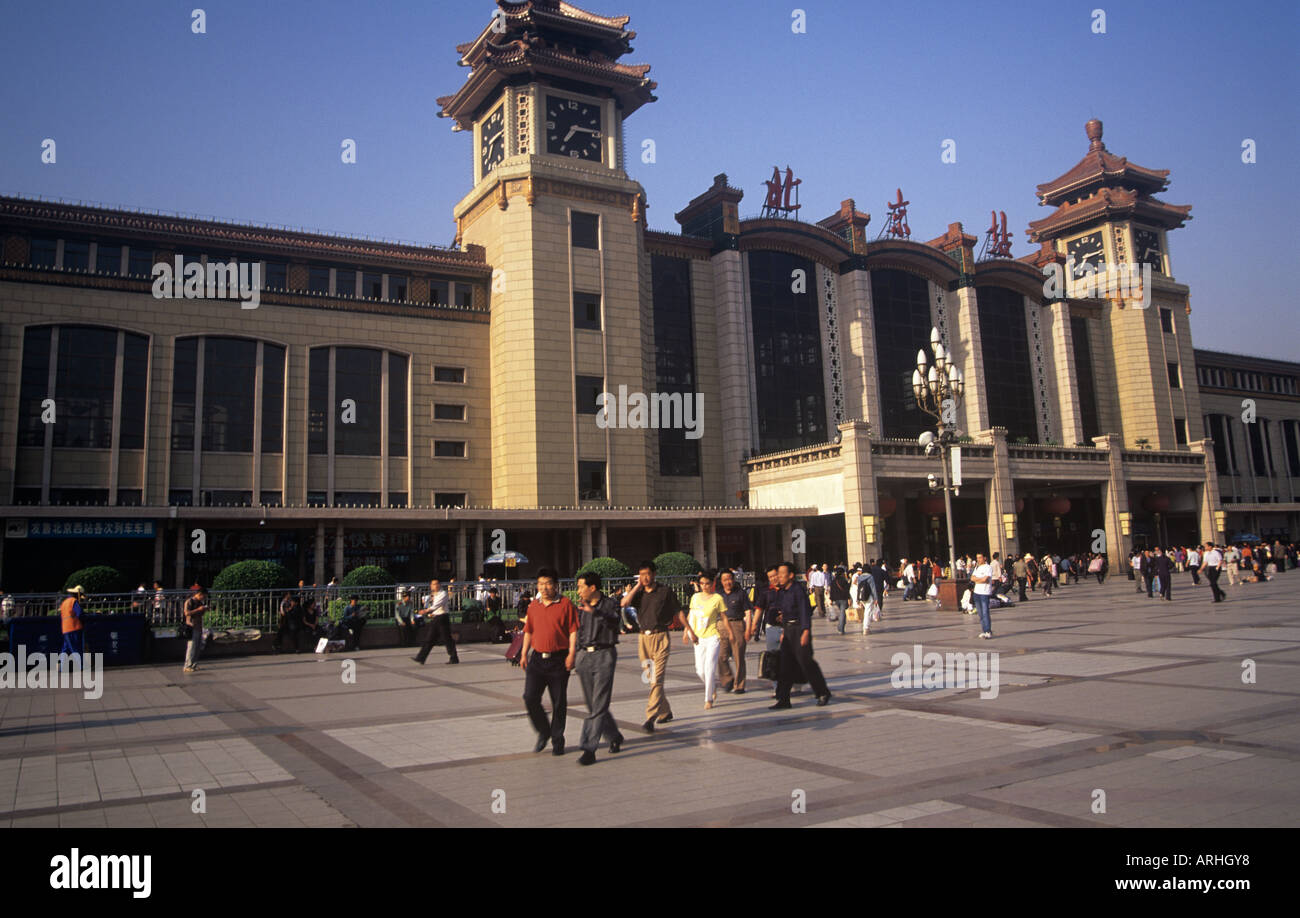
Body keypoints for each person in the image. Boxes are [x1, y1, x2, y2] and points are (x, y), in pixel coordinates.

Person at [521, 568, 578, 756]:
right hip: (537, 660)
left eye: (548, 583)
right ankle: (543, 731)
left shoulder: (566, 604)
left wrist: (572, 654)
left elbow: (573, 631)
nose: (544, 588)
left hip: (559, 660)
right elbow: (528, 631)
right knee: (530, 697)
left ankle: (557, 739)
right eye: (540, 584)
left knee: (559, 702)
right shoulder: (533, 606)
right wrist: (523, 654)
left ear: (555, 585)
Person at [621, 560, 684, 733]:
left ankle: (650, 716)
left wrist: (689, 630)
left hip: (661, 636)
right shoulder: (639, 594)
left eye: (647, 574)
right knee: (651, 678)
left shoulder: (665, 591)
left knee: (657, 678)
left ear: (654, 574)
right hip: (643, 639)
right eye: (641, 575)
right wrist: (636, 587)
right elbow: (624, 603)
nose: (645, 577)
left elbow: (678, 611)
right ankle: (665, 711)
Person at [574, 570, 623, 766]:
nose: (578, 591)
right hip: (585, 656)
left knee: (599, 702)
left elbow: (614, 622)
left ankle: (588, 748)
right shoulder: (581, 607)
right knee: (593, 704)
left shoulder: (610, 604)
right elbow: (579, 630)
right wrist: (576, 653)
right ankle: (614, 736)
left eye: (581, 587)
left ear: (592, 587)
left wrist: (595, 613)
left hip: (604, 654)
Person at [769, 562, 831, 709]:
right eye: (778, 573)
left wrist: (806, 631)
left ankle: (822, 692)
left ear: (790, 575)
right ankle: (784, 699)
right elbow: (784, 614)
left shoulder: (798, 590)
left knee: (807, 663)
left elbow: (805, 612)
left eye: (782, 573)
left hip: (799, 630)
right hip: (788, 630)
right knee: (785, 665)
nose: (779, 576)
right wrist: (784, 630)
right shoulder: (783, 592)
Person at [685, 570, 724, 708]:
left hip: (713, 636)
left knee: (709, 668)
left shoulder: (717, 598)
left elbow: (723, 617)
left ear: (712, 584)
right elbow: (691, 615)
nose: (704, 586)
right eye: (702, 583)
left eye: (707, 583)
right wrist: (686, 632)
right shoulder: (695, 597)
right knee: (699, 670)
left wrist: (729, 632)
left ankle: (708, 699)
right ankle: (711, 687)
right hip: (698, 637)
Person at [716, 569, 752, 693]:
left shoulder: (740, 593)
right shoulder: (718, 594)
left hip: (737, 624)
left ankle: (739, 685)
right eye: (725, 580)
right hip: (721, 626)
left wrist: (748, 629)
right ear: (721, 581)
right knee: (721, 656)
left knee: (738, 656)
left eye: (730, 579)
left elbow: (747, 611)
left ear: (733, 579)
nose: (728, 582)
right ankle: (727, 679)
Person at [414, 578, 459, 665]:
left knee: (447, 639)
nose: (433, 586)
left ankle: (454, 657)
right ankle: (421, 657)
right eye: (432, 584)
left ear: (439, 585)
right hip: (436, 618)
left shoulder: (443, 593)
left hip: (442, 618)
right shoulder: (433, 594)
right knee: (429, 638)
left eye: (435, 584)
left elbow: (437, 605)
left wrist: (426, 611)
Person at [182, 585, 207, 673]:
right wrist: (198, 609)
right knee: (191, 647)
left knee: (197, 647)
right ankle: (187, 665)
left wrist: (203, 610)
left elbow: (200, 614)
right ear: (200, 594)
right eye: (204, 596)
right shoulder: (190, 601)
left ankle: (194, 664)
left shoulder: (200, 602)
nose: (204, 598)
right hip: (191, 626)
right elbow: (186, 613)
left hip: (199, 626)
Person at [60, 585, 86, 660]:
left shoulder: (64, 602)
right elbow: (80, 613)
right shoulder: (74, 601)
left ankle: (61, 667)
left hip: (65, 629)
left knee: (65, 649)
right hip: (74, 628)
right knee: (76, 648)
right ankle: (81, 665)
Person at [828, 566, 851, 634]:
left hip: (836, 599)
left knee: (842, 613)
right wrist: (849, 598)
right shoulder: (844, 580)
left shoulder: (833, 581)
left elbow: (831, 591)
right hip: (843, 599)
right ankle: (840, 629)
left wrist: (831, 599)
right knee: (842, 614)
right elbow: (847, 591)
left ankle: (841, 627)